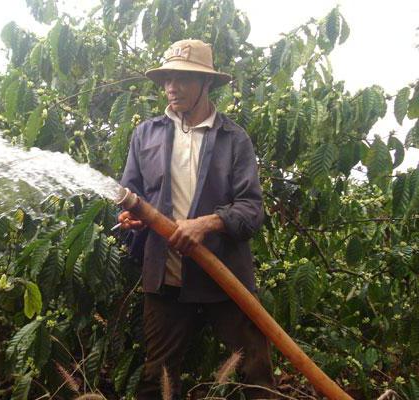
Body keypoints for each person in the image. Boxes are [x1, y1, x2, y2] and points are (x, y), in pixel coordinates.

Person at [117, 39, 275, 399]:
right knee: (157, 380)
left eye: (184, 79)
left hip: (225, 277)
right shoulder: (146, 134)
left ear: (207, 84)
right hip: (167, 276)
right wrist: (129, 218)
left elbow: (251, 208)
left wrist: (206, 224)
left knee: (256, 373)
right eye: (168, 79)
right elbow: (131, 195)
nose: (172, 87)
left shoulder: (234, 139)